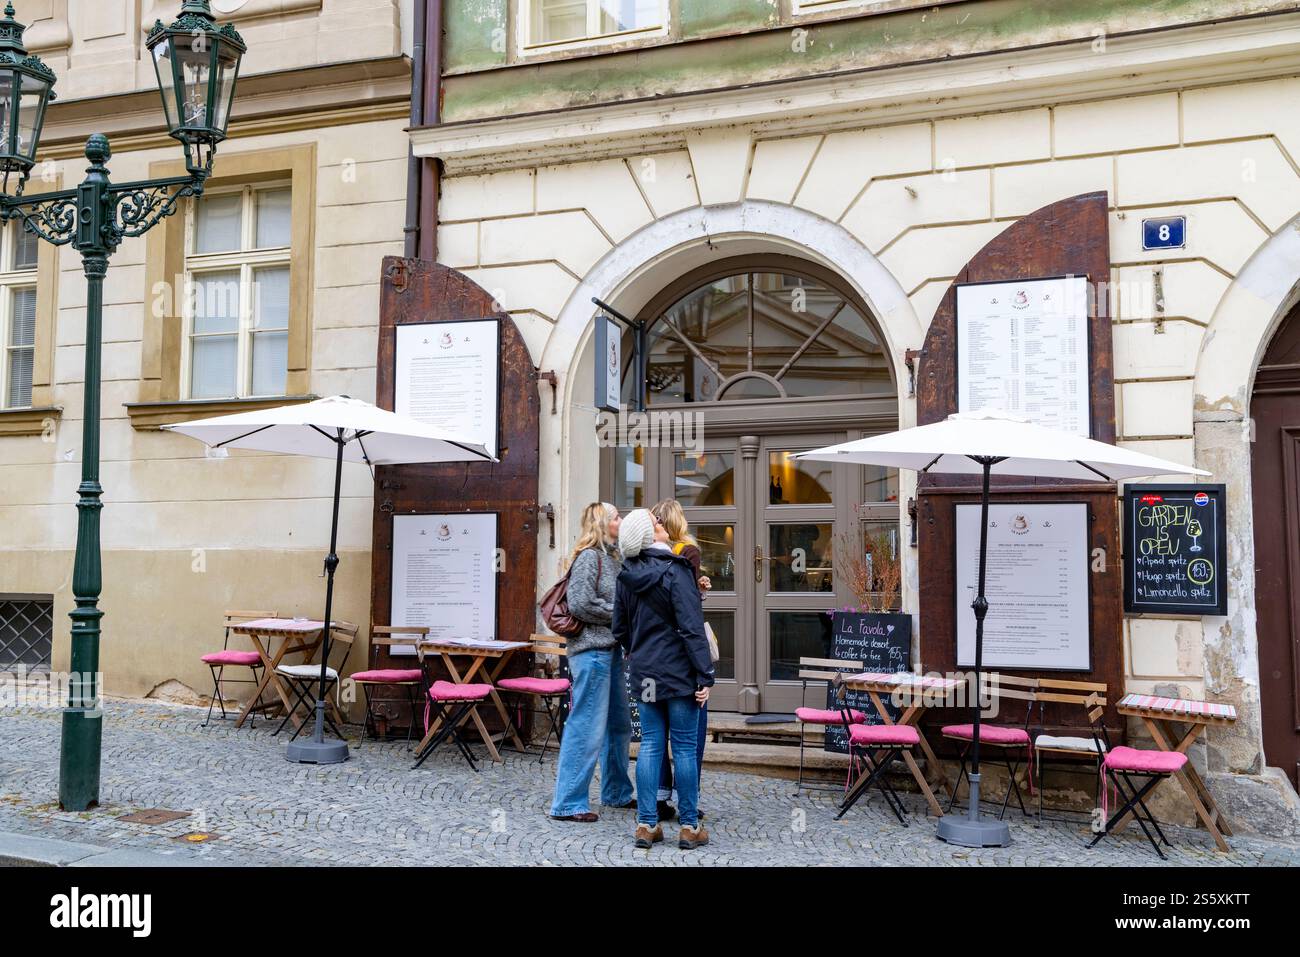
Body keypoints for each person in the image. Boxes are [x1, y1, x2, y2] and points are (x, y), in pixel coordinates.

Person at [613, 508, 715, 850]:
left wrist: (640, 653)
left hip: (645, 673)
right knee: (684, 747)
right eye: (656, 523)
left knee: (651, 746)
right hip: (680, 672)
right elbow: (691, 627)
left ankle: (646, 825)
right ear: (648, 535)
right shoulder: (677, 570)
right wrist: (705, 675)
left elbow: (620, 630)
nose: (661, 525)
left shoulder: (627, 576)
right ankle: (688, 827)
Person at [549, 502, 636, 823]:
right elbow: (581, 604)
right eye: (616, 517)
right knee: (586, 724)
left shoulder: (613, 558)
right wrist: (620, 616)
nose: (621, 521)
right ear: (603, 524)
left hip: (610, 652)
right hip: (592, 653)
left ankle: (615, 792)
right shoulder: (588, 558)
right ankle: (568, 802)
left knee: (618, 725)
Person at [650, 499, 713, 818]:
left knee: (654, 737)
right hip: (683, 658)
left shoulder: (641, 558)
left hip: (651, 659)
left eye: (656, 520)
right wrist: (705, 674)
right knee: (690, 738)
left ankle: (656, 804)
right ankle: (688, 805)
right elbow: (687, 612)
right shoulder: (687, 553)